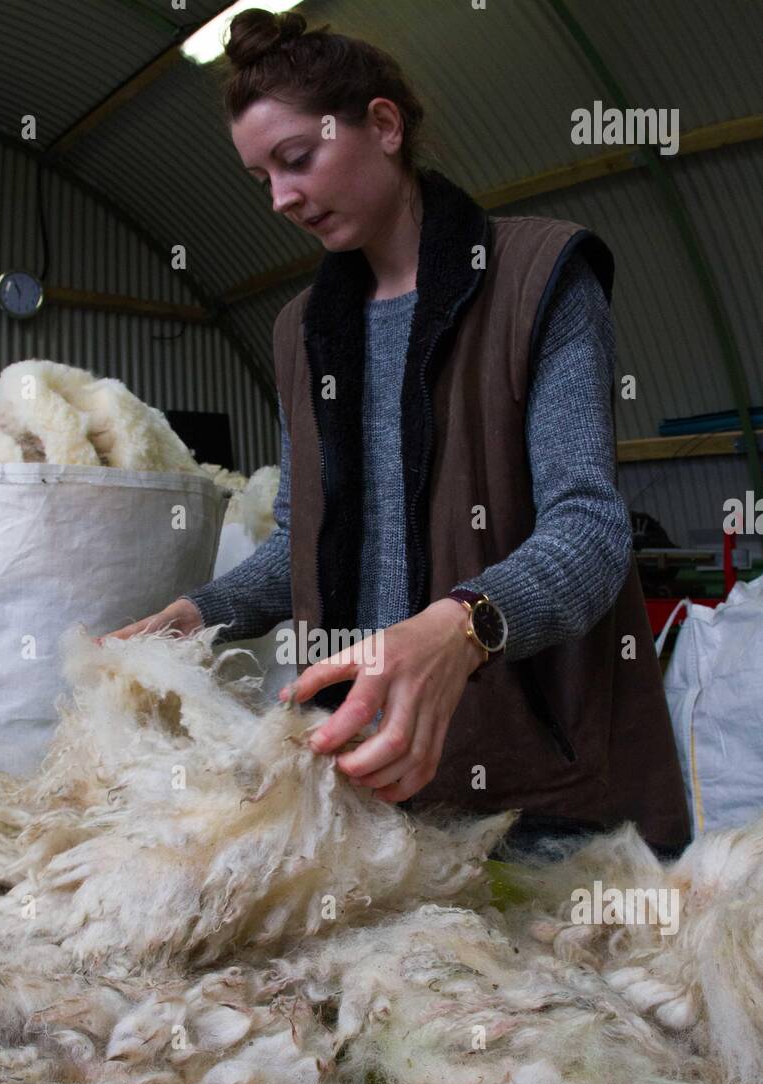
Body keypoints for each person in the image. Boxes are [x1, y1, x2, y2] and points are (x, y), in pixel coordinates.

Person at [104, 8, 690, 862]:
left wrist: (464, 626)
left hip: (542, 804)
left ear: (382, 126)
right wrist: (197, 616)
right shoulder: (305, 330)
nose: (281, 198)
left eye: (297, 159)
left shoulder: (537, 280)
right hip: (369, 789)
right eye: (260, 177)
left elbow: (591, 533)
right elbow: (300, 543)